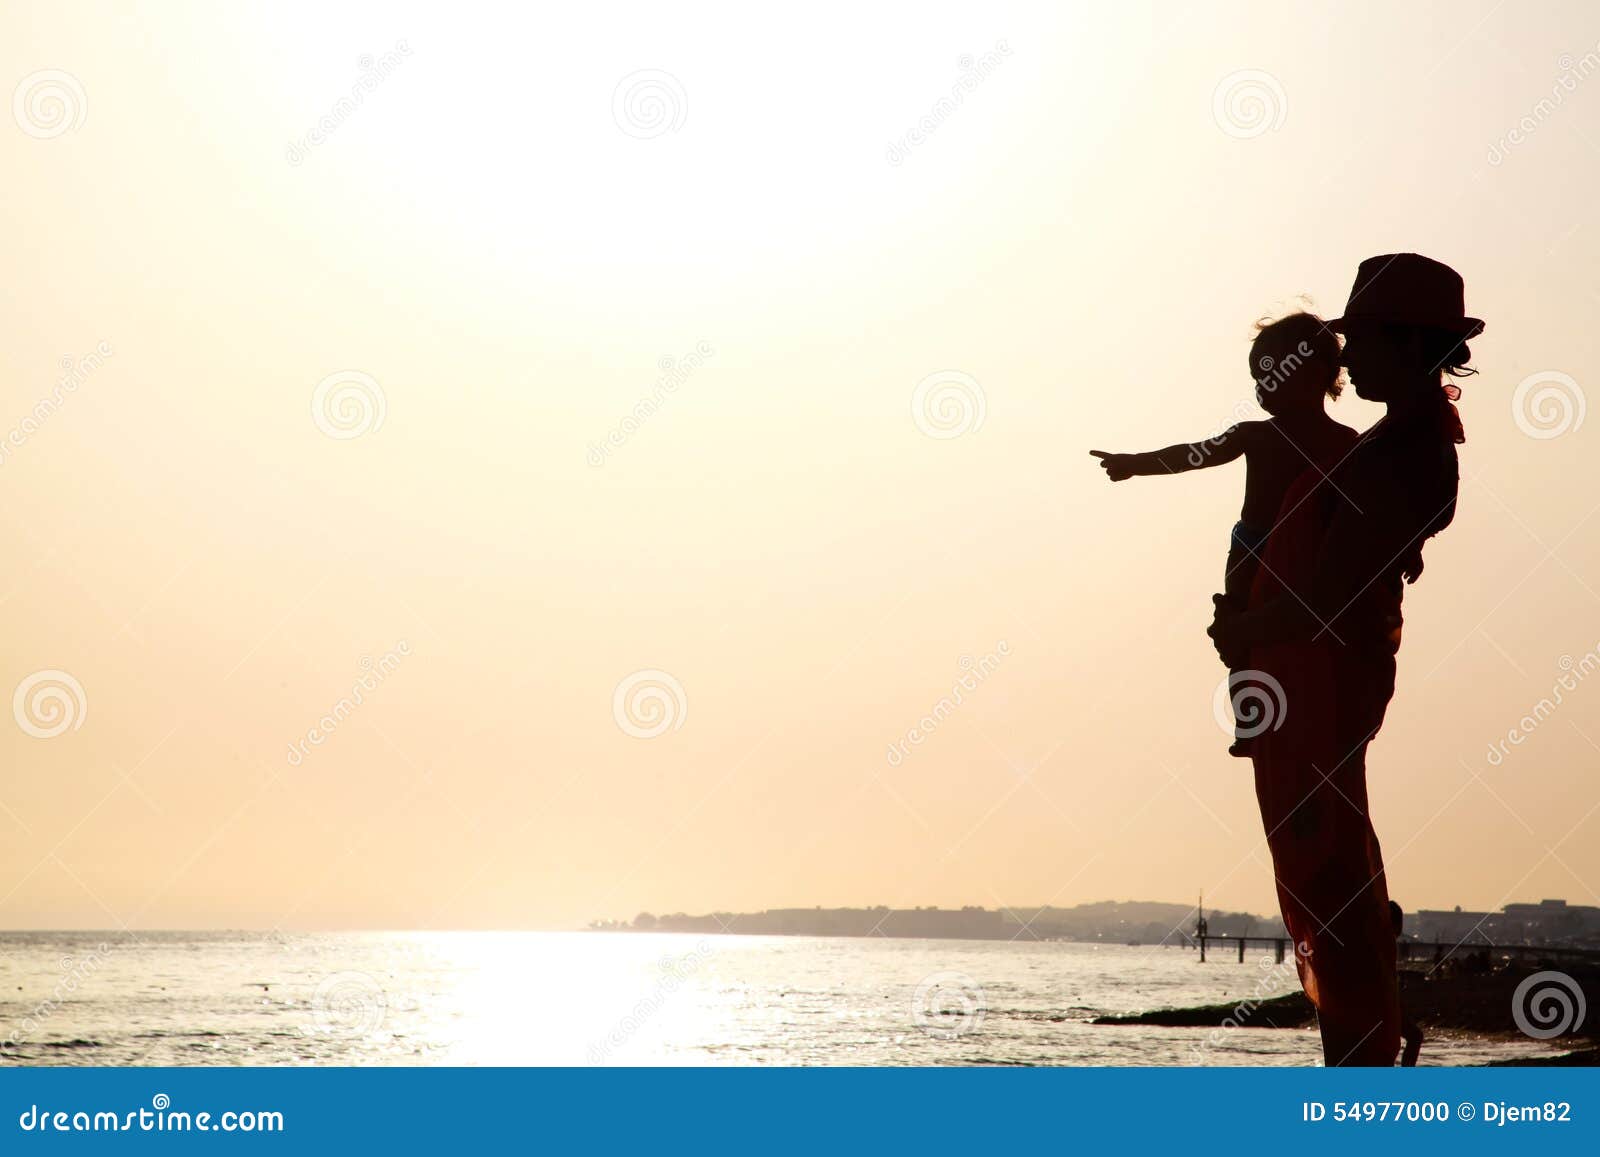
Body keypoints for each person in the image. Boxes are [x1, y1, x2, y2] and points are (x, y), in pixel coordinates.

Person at [1208, 253, 1483, 1066]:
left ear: (1409, 344)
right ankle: (1365, 1046)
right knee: (1326, 868)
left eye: (1360, 340)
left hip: (1320, 687)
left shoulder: (1404, 452)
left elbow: (1331, 595)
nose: (1347, 357)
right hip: (1310, 683)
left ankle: (1363, 1060)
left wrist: (1247, 629)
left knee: (1328, 872)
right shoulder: (1400, 442)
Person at [1091, 312, 1358, 754]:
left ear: (1313, 373)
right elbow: (1192, 455)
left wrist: (1406, 551)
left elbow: (1367, 508)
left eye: (1269, 374)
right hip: (1252, 550)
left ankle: (1299, 708)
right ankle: (1250, 722)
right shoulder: (1256, 435)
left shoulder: (1346, 443)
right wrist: (1136, 463)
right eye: (1256, 378)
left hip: (1311, 555)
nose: (1260, 388)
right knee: (1237, 632)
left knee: (1292, 630)